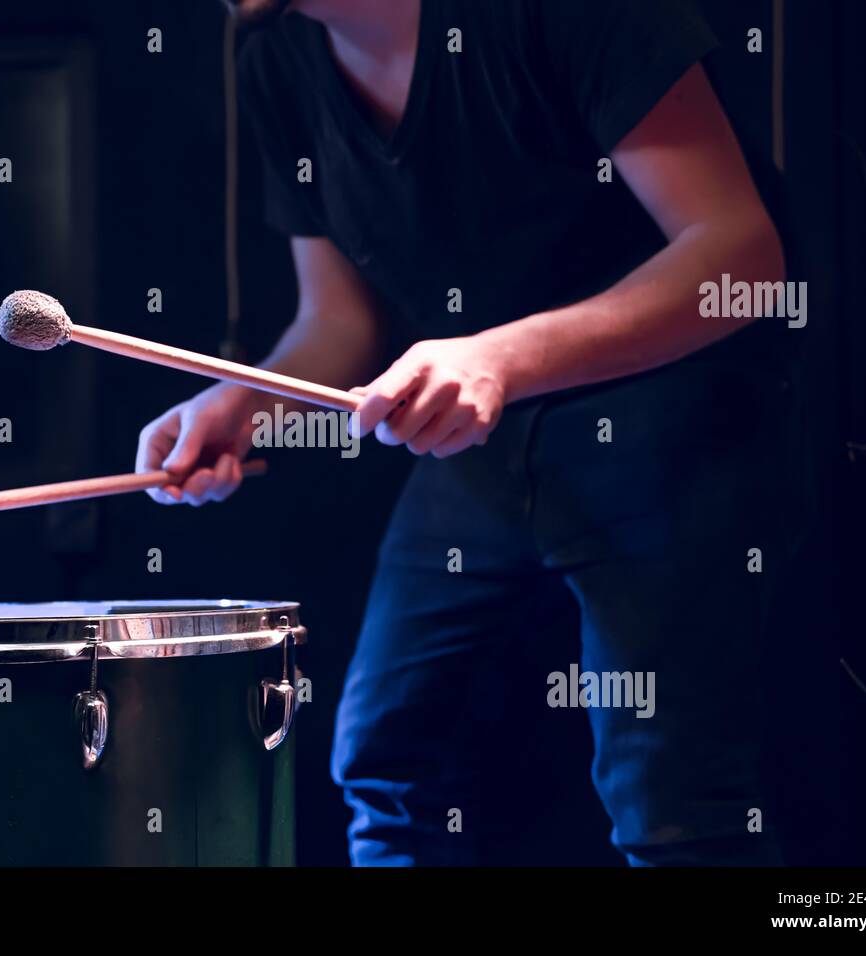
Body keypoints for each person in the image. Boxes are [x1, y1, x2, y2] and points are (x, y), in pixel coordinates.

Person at [137, 0, 804, 865]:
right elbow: (338, 318)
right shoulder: (276, 58)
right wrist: (239, 403)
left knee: (673, 800)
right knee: (389, 772)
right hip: (481, 443)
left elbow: (740, 253)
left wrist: (501, 358)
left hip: (671, 408)